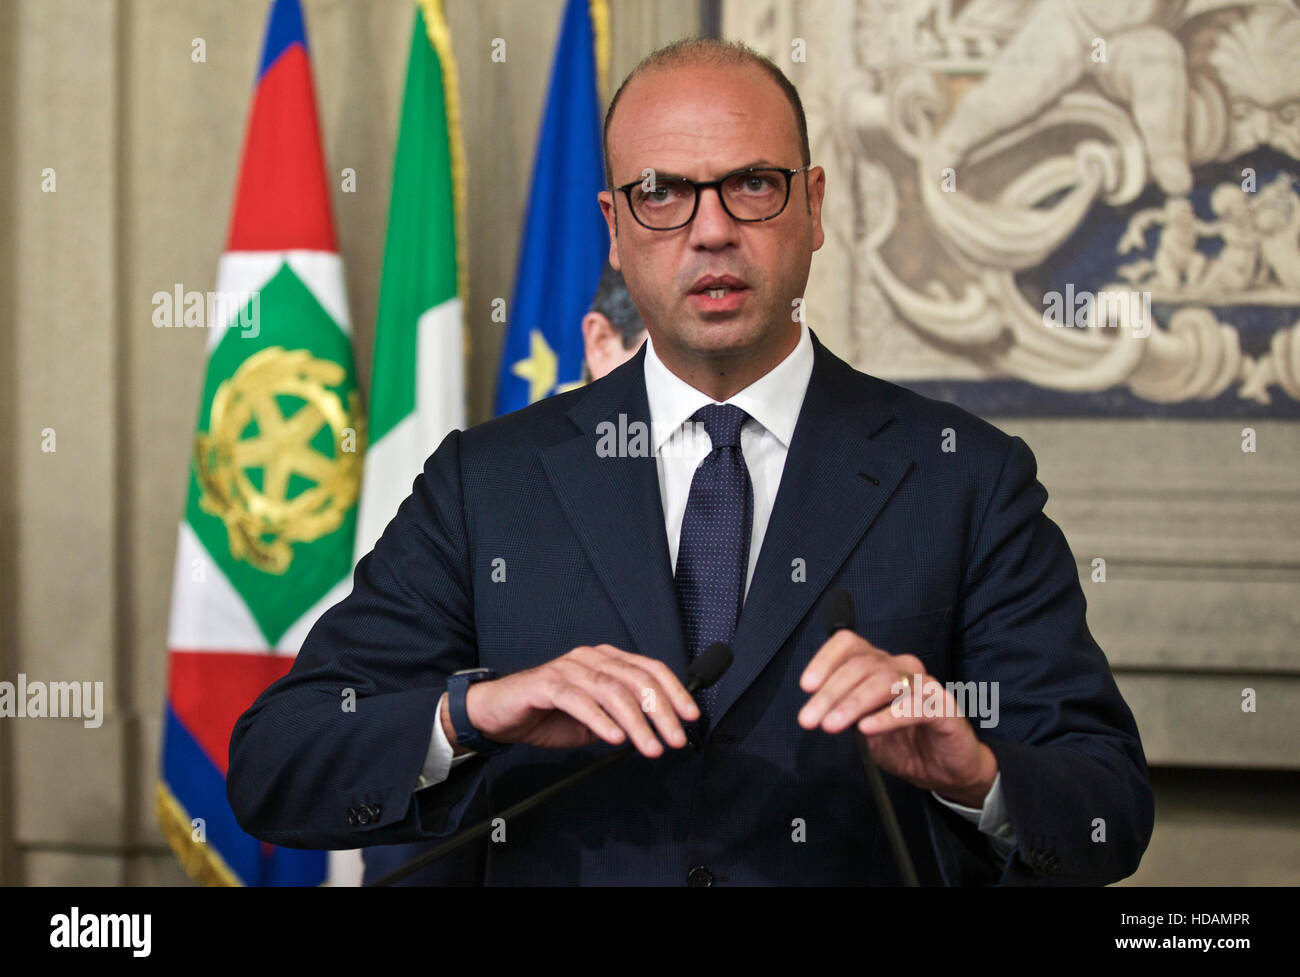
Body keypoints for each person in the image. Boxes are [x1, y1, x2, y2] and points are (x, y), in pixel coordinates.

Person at [228, 38, 1153, 885]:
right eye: (663, 193)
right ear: (615, 229)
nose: (711, 231)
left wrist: (976, 773)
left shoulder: (964, 477)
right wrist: (474, 712)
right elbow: (278, 764)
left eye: (752, 184)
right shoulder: (487, 485)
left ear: (816, 207)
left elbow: (1108, 806)